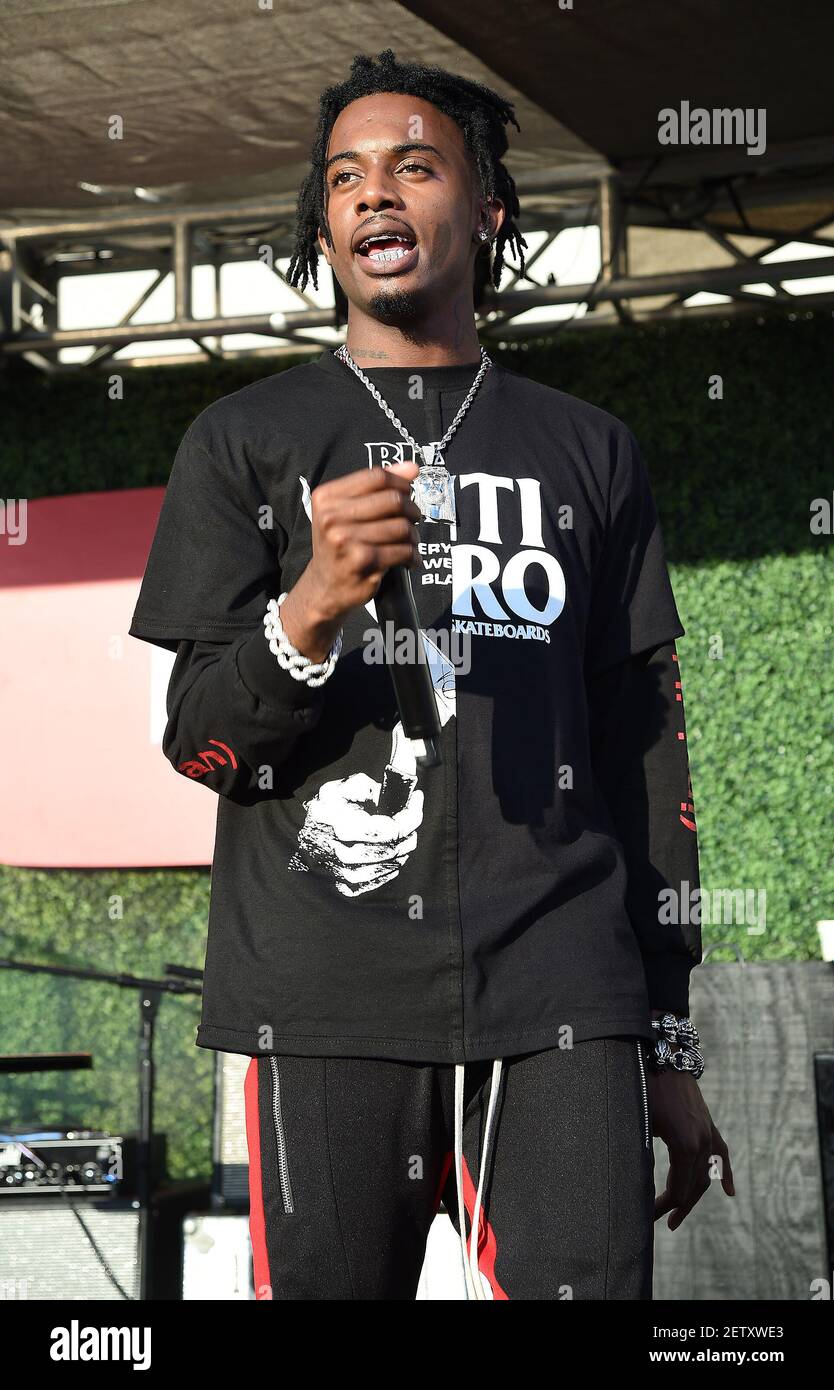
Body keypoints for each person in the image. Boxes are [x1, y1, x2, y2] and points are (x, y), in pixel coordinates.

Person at [129, 48, 734, 1301]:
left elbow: (646, 756)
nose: (373, 196)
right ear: (324, 224)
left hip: (565, 989)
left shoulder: (590, 449)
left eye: (414, 165)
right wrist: (309, 609)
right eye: (345, 178)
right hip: (323, 999)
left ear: (488, 210)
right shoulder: (244, 441)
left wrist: (667, 1042)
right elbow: (203, 745)